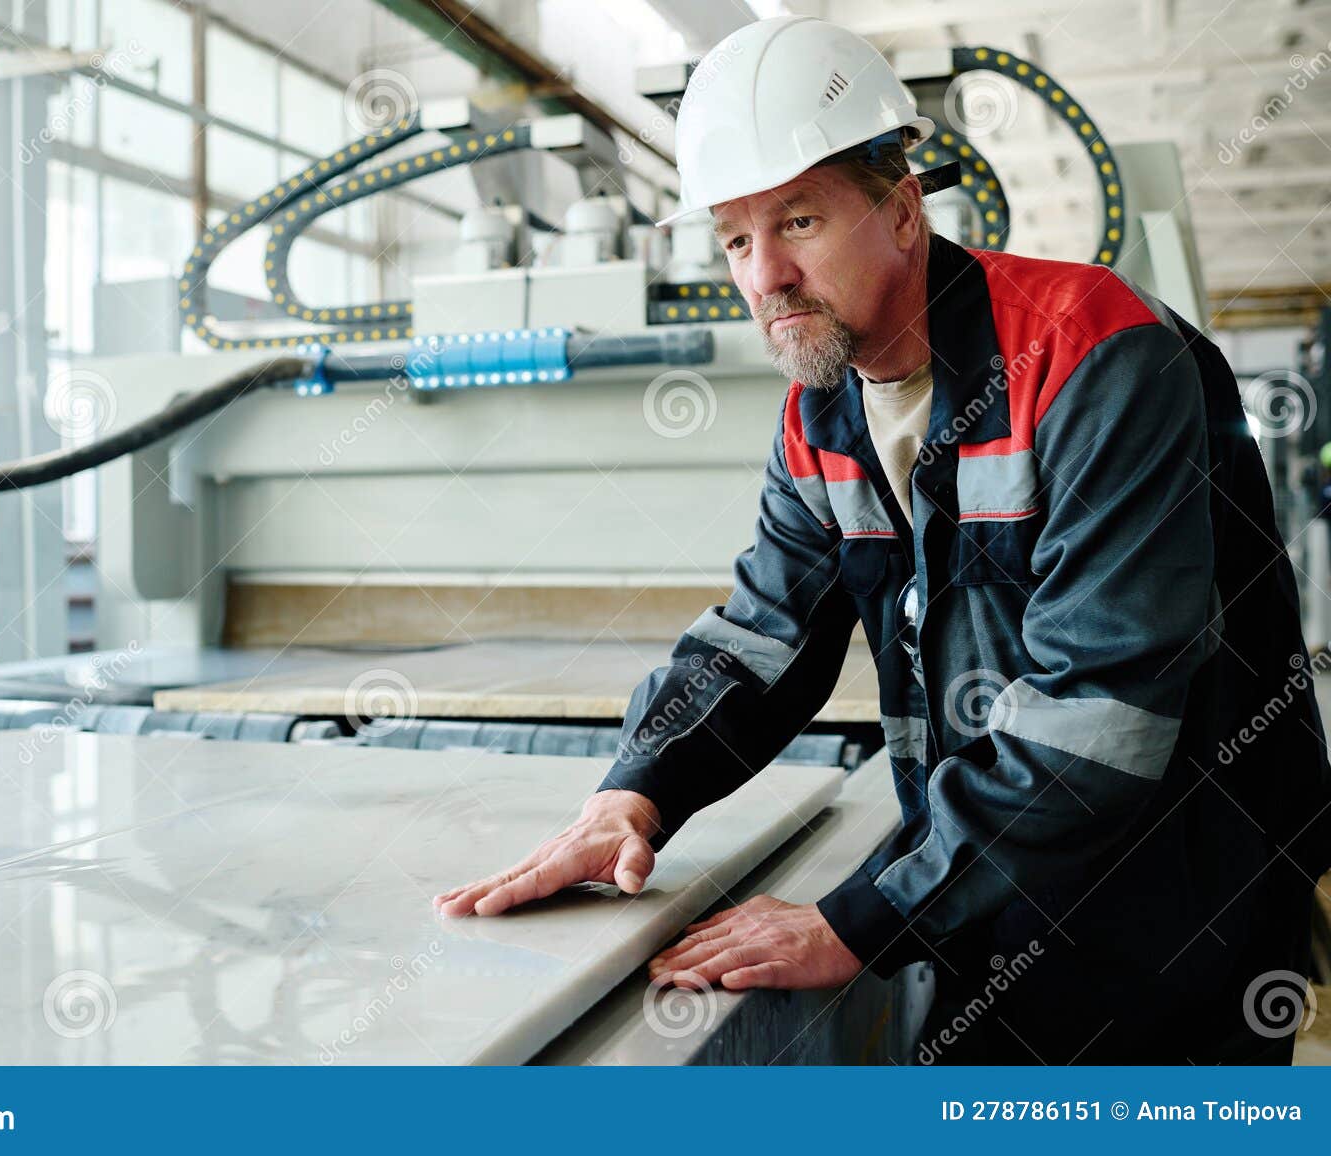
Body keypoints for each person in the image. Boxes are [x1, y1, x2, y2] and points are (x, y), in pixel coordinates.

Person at [435, 15, 1331, 1063]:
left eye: (799, 221)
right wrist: (633, 791)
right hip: (989, 913)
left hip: (1176, 921)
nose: (762, 273)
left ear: (903, 211)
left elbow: (1098, 723)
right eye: (734, 236)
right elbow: (758, 642)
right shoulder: (820, 417)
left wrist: (858, 918)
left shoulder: (1093, 355)